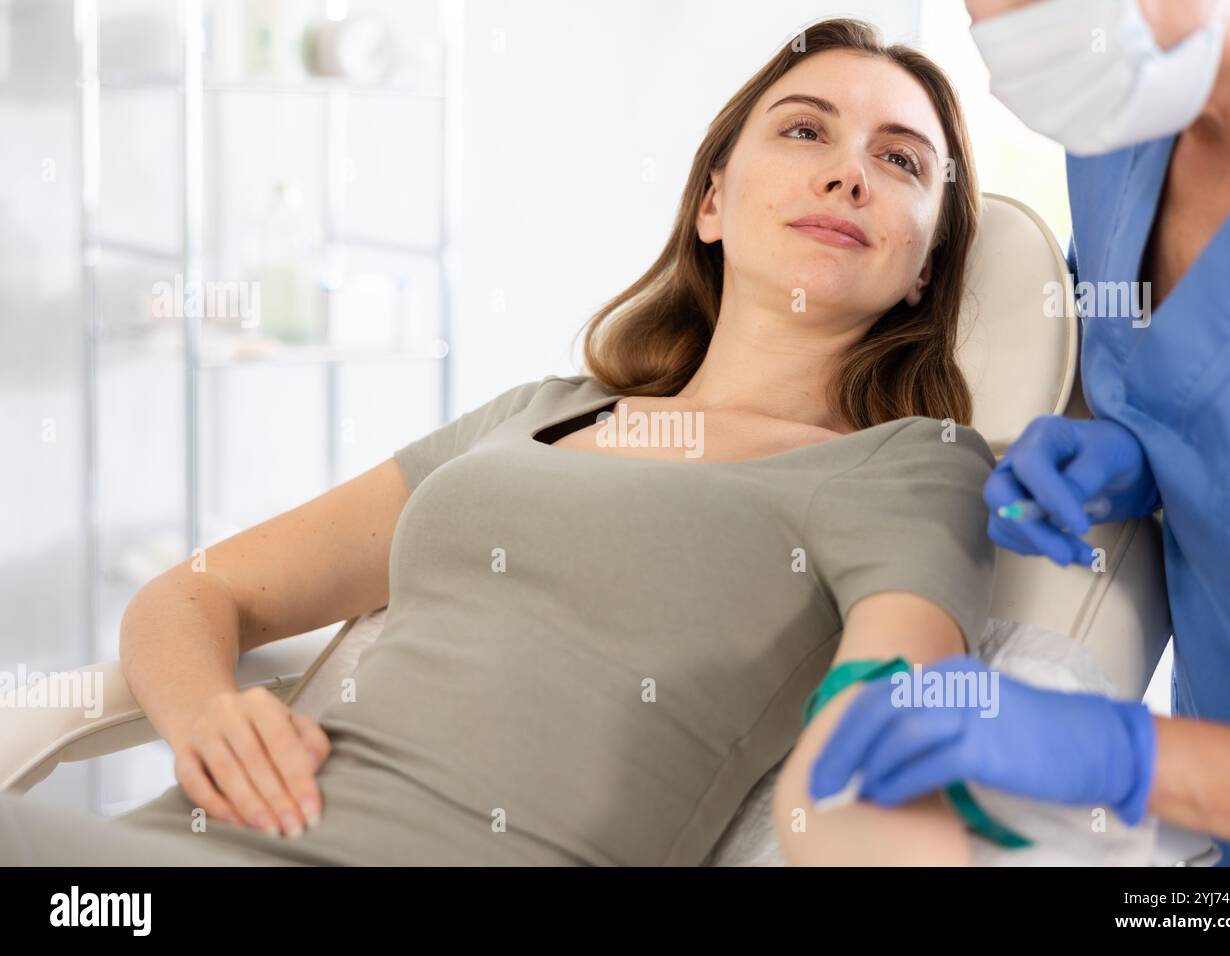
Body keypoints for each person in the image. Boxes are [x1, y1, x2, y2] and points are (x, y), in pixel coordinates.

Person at [1, 18, 1000, 866]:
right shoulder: (540, 414)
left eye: (899, 159)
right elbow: (202, 588)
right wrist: (205, 714)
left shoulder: (911, 464)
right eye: (804, 130)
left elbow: (878, 741)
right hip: (179, 843)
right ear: (710, 203)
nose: (845, 173)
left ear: (924, 267)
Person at [810, 0, 1230, 866]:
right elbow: (1198, 385)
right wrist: (1142, 459)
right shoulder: (1127, 130)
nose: (1012, 33)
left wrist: (1125, 756)